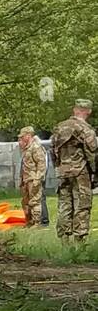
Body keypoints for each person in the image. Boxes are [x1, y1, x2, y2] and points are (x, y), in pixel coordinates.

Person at [51, 98, 97, 242]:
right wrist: (95, 173)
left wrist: (59, 166)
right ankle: (80, 240)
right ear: (88, 112)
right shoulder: (85, 129)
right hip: (80, 172)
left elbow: (52, 151)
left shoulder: (59, 127)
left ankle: (64, 239)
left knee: (65, 204)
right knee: (82, 204)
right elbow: (93, 154)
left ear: (75, 110)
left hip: (63, 171)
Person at [18, 126, 47, 226]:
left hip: (33, 178)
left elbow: (41, 164)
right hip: (25, 179)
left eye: (23, 136)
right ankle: (29, 221)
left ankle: (37, 222)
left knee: (35, 201)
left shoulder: (36, 147)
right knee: (25, 201)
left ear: (29, 135)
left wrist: (38, 178)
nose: (21, 139)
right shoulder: (26, 148)